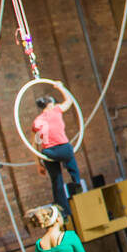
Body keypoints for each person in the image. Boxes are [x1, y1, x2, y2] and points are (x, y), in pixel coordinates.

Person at [32, 85, 84, 216]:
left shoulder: (37, 121)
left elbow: (35, 144)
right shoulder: (56, 110)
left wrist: (38, 164)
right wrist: (60, 87)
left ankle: (63, 211)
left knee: (56, 181)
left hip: (49, 153)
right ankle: (76, 182)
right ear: (50, 104)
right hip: (64, 149)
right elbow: (69, 101)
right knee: (70, 157)